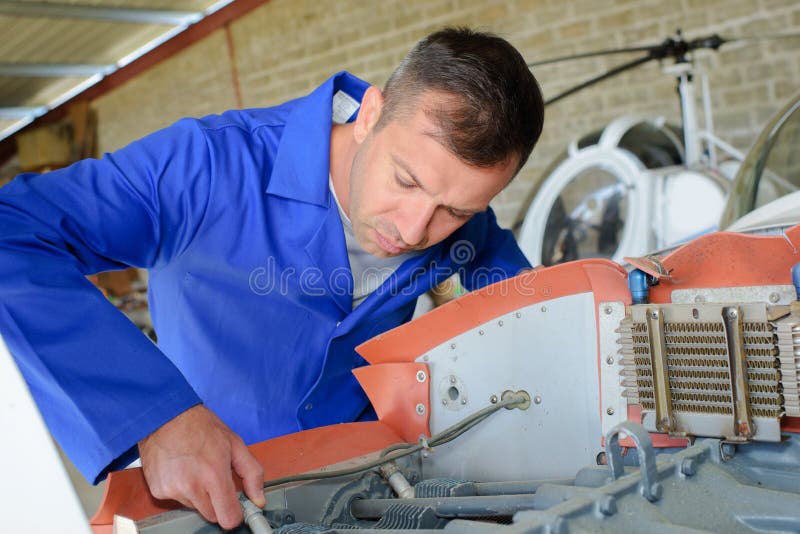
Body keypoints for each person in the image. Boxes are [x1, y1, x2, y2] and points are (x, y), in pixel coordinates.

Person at [0, 27, 544, 528]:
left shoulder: (467, 224)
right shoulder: (204, 167)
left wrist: (613, 285)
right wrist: (155, 416)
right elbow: (12, 233)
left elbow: (528, 304)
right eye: (405, 181)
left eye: (455, 211)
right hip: (210, 497)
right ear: (370, 113)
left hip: (365, 489)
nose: (414, 229)